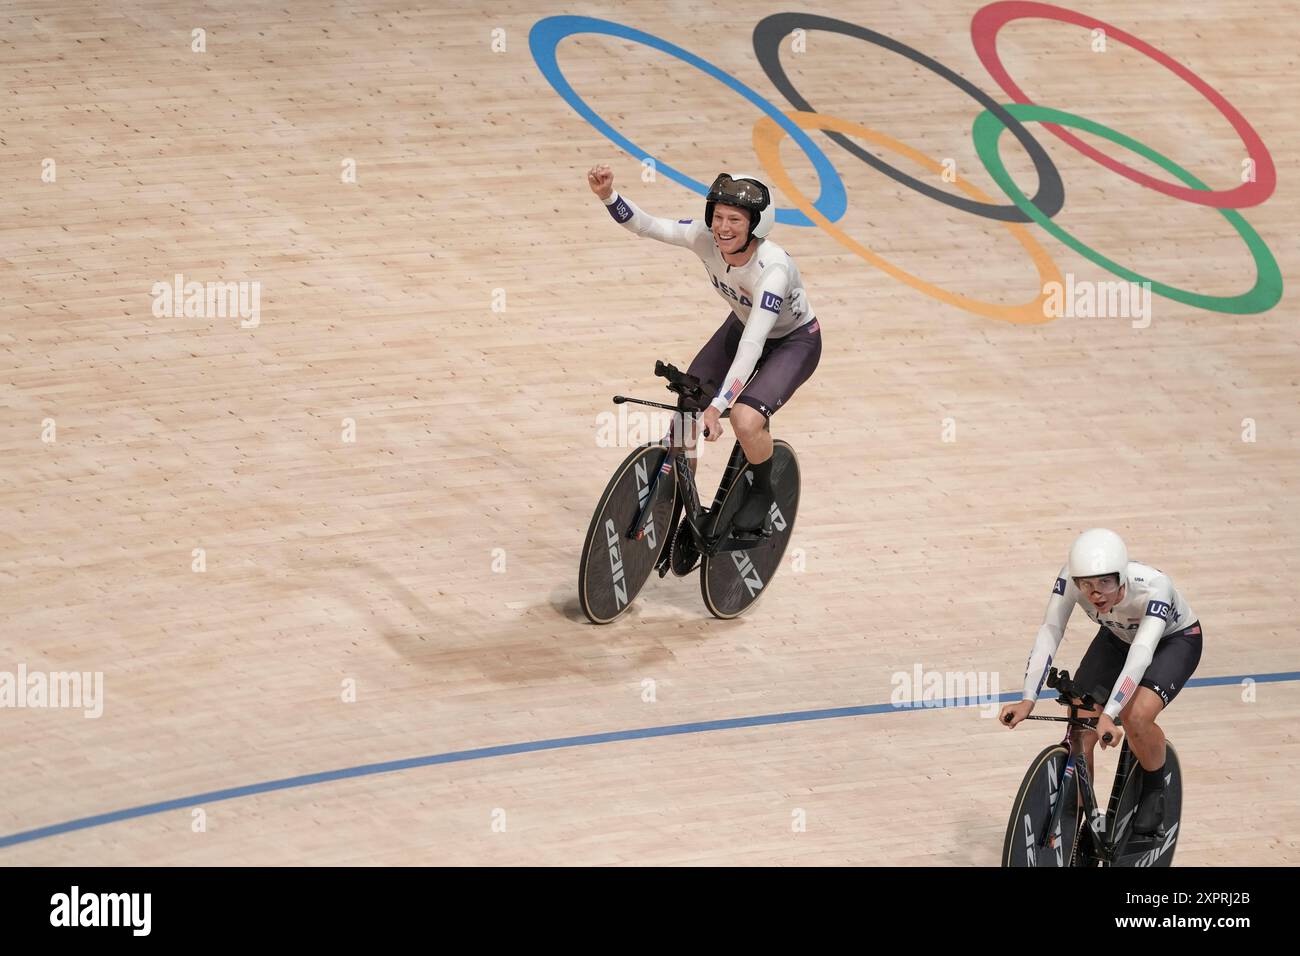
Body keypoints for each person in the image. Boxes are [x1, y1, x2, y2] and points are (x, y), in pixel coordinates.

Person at [587, 165, 821, 532]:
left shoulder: (772, 271)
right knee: (686, 405)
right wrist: (608, 196)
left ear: (755, 226)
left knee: (744, 419)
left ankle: (762, 490)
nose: (723, 228)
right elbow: (646, 225)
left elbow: (753, 345)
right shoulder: (704, 238)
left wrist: (717, 407)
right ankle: (680, 500)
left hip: (792, 342)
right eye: (719, 217)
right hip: (743, 326)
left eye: (735, 220)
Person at [1000, 528, 1202, 835]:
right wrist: (1028, 697)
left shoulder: (1155, 586)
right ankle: (1081, 821)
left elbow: (1142, 653)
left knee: (1135, 717)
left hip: (1172, 641)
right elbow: (1050, 630)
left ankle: (1153, 790)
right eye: (1087, 586)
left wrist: (1110, 713)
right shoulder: (1070, 579)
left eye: (1105, 583)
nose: (1096, 595)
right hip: (1118, 637)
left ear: (1121, 576)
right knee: (1080, 722)